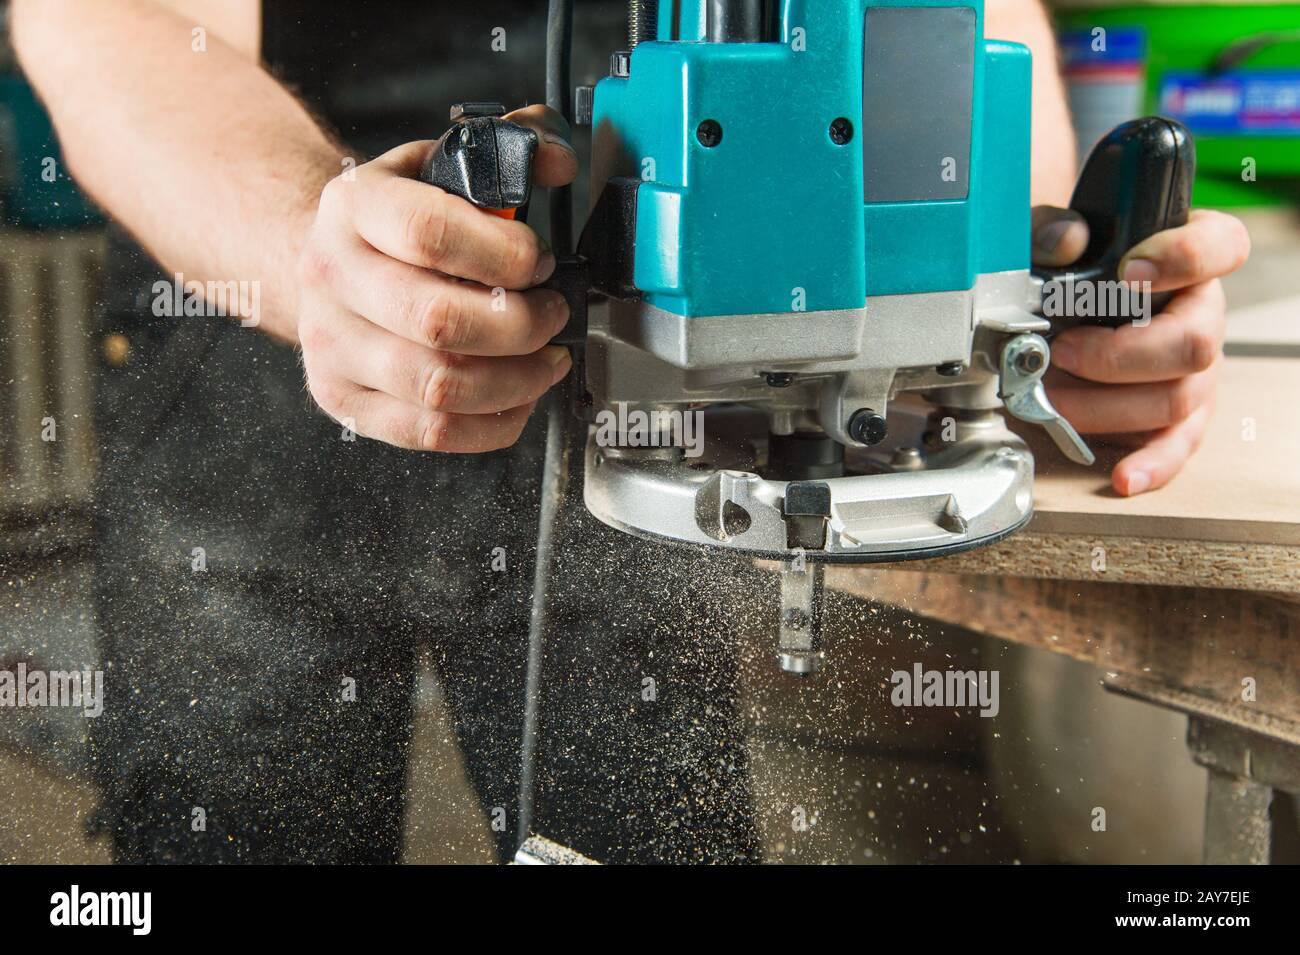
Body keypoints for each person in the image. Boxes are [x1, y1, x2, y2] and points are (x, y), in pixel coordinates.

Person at [12, 0, 1249, 863]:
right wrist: (307, 247)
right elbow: (107, 17)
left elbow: (961, 27)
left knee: (643, 837)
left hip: (634, 388)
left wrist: (1001, 291)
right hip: (255, 311)